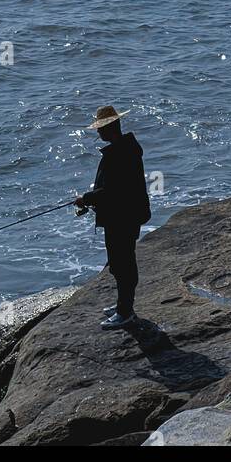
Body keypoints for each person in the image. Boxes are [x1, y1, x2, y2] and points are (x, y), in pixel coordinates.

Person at [75, 106, 151, 329]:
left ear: (110, 128)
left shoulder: (120, 154)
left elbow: (113, 192)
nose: (98, 133)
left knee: (123, 264)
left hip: (122, 217)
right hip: (125, 215)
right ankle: (123, 305)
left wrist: (85, 198)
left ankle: (125, 312)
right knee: (120, 264)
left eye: (100, 128)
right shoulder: (125, 148)